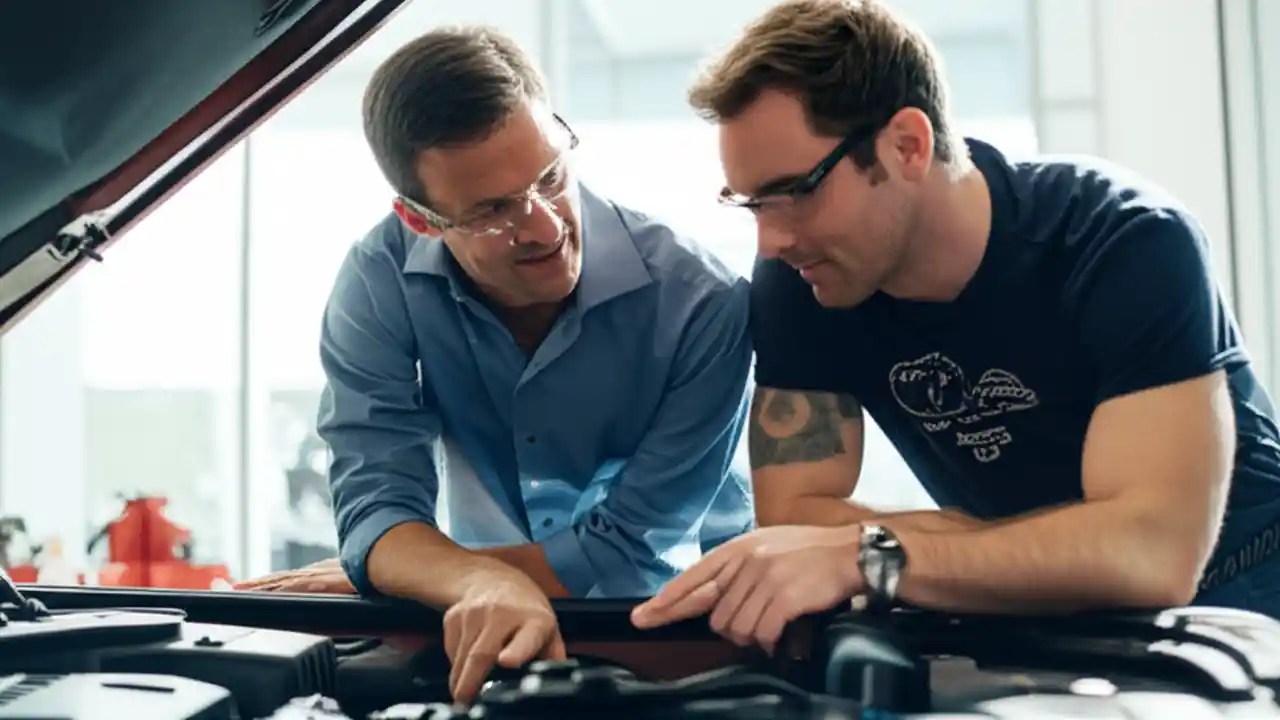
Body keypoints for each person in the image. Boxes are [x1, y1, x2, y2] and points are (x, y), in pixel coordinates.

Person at [630, 0, 1280, 652]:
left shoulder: (1124, 240)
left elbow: (1150, 557)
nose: (770, 241)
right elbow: (793, 515)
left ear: (907, 145)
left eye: (796, 192)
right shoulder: (805, 281)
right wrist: (1033, 543)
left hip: (1240, 592)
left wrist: (870, 555)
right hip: (1031, 602)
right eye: (752, 206)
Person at [235, 25, 756, 703]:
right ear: (420, 219)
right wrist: (449, 575)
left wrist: (423, 569)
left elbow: (623, 548)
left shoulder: (703, 302)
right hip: (486, 628)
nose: (541, 226)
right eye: (491, 210)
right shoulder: (379, 280)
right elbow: (377, 507)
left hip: (687, 640)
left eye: (549, 177)